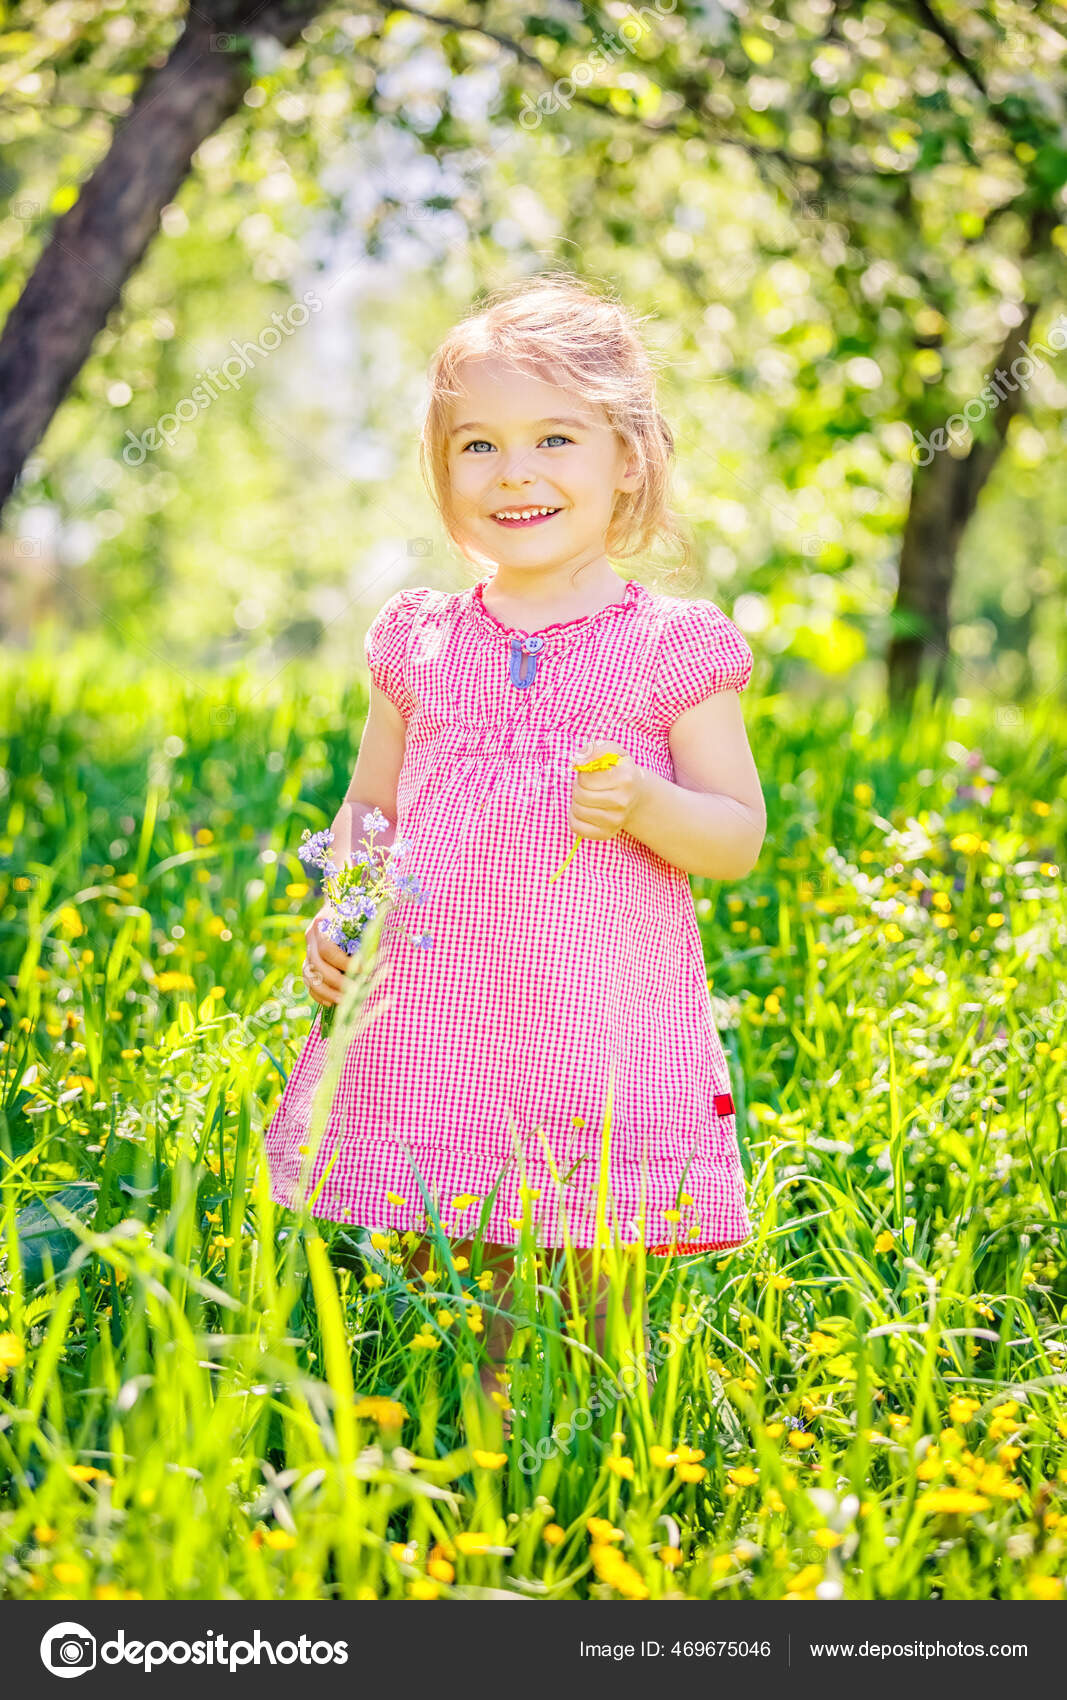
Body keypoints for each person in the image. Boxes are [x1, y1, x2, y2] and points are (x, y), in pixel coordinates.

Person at [264, 273, 766, 1427]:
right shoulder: (416, 640)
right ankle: (473, 1438)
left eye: (553, 437)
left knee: (591, 1259)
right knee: (460, 1238)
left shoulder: (669, 647)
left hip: (593, 1016)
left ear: (626, 458)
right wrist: (337, 919)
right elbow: (368, 815)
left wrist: (645, 801)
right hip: (445, 1008)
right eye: (476, 445)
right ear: (441, 471)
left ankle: (593, 1444)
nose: (513, 472)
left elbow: (734, 836)